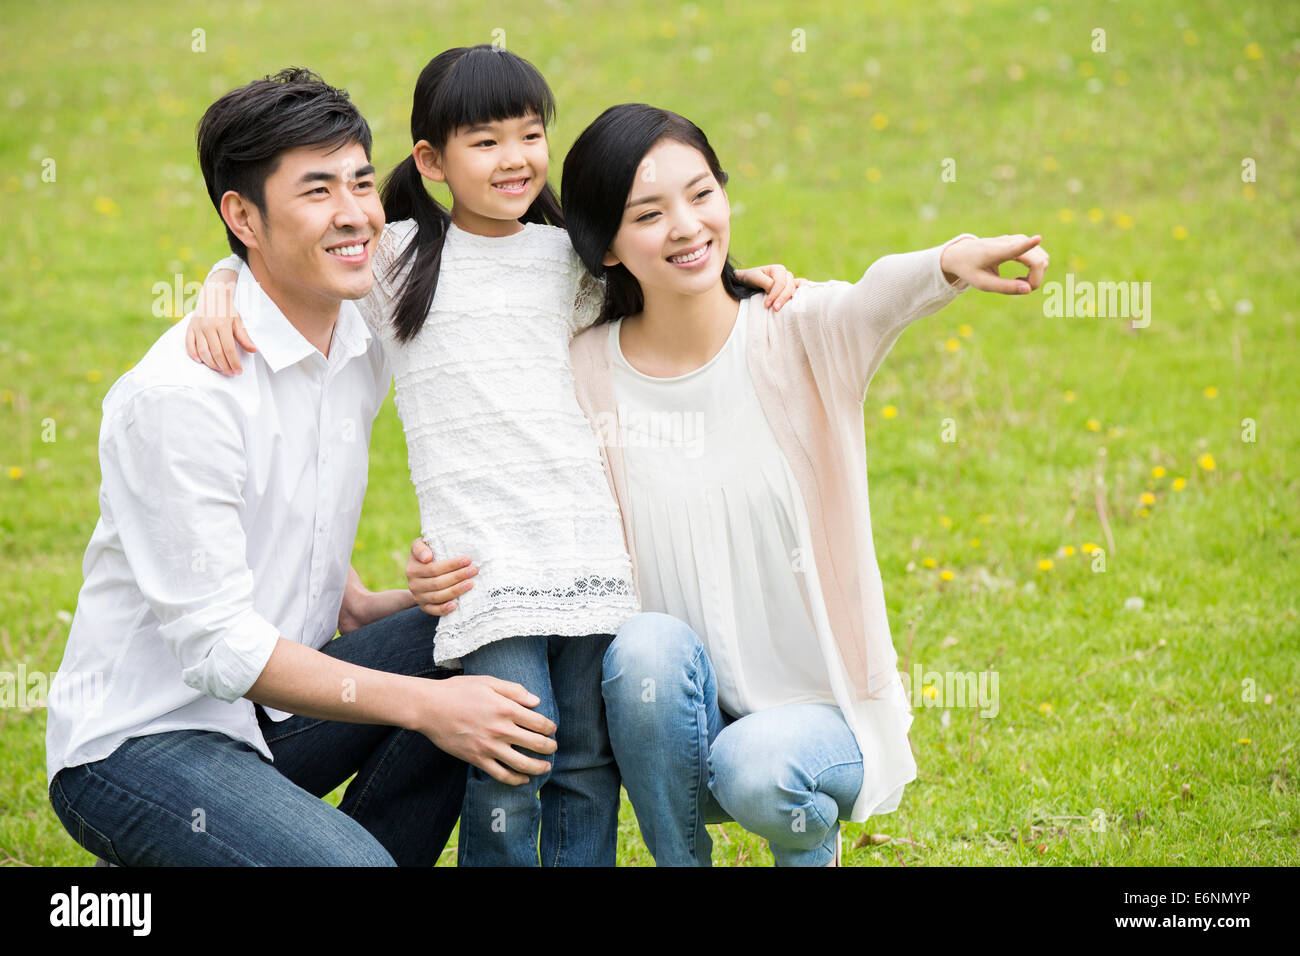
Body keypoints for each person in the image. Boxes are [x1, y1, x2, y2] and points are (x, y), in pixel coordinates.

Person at [183, 46, 799, 866]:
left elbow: (658, 286)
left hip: (587, 549)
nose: (514, 158)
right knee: (513, 753)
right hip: (487, 566)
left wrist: (741, 278)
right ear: (433, 161)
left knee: (585, 762)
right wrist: (220, 283)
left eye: (530, 134)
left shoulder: (568, 260)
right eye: (484, 141)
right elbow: (289, 264)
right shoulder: (394, 262)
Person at [45, 68, 558, 868]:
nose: (355, 214)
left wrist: (758, 290)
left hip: (273, 718)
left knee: (479, 625)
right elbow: (222, 650)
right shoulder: (179, 396)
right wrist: (428, 705)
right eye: (317, 192)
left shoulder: (358, 315)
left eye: (360, 181)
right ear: (242, 215)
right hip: (143, 741)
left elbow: (503, 267)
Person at [555, 103, 1050, 866]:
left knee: (756, 764)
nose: (686, 226)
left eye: (701, 194)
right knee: (645, 649)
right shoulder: (586, 371)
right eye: (647, 214)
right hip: (676, 734)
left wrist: (950, 261)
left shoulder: (798, 334)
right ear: (607, 247)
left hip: (822, 726)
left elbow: (873, 299)